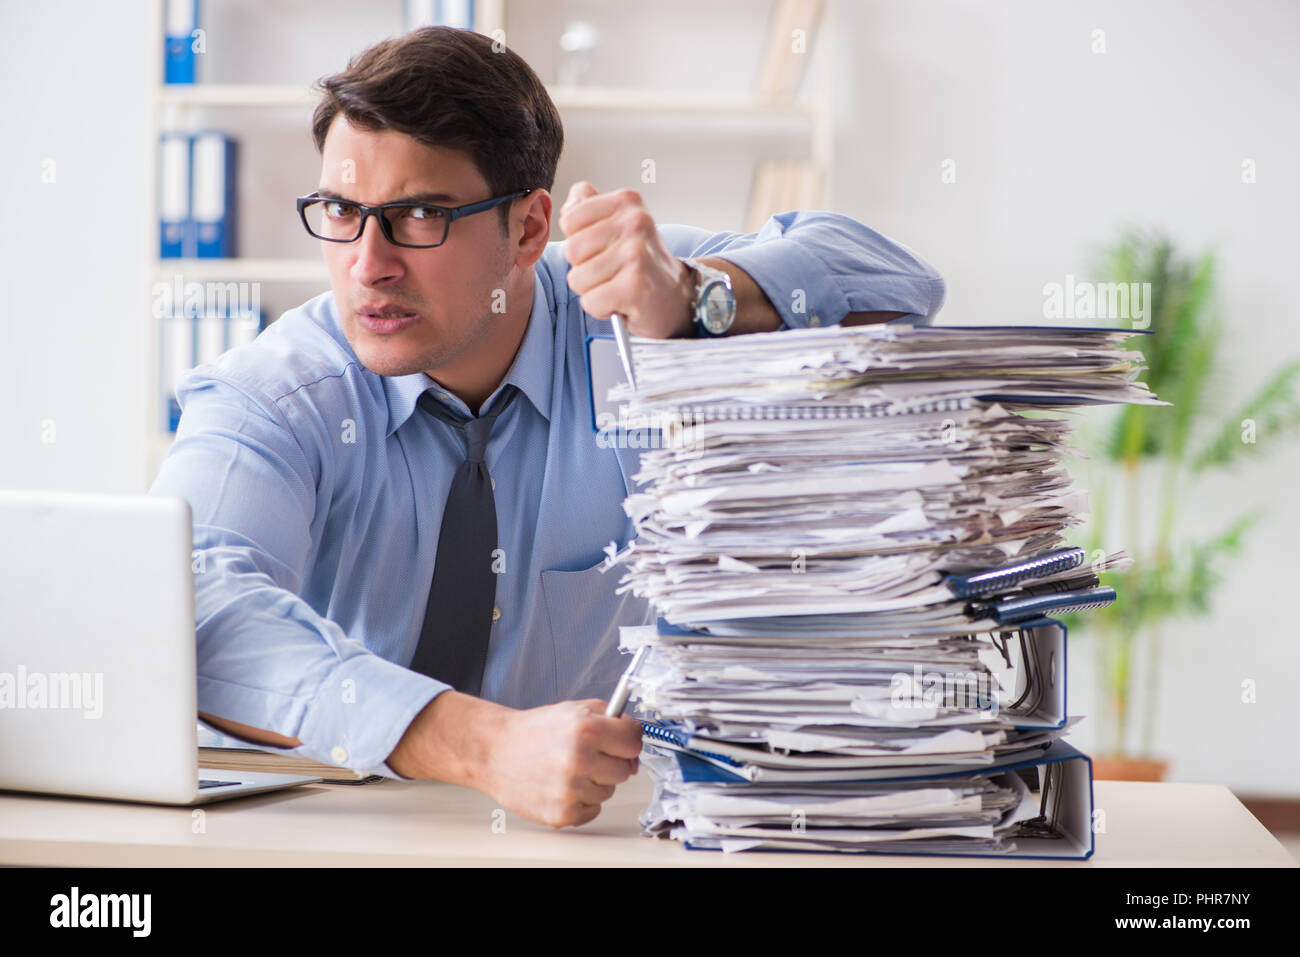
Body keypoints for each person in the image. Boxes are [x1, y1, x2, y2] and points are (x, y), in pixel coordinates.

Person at [150, 26, 945, 828]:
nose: (368, 264)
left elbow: (902, 287)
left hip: (603, 836)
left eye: (419, 214)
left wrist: (702, 295)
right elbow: (194, 605)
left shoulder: (623, 312)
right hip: (336, 832)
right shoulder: (278, 394)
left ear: (530, 229)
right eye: (341, 212)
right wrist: (479, 744)